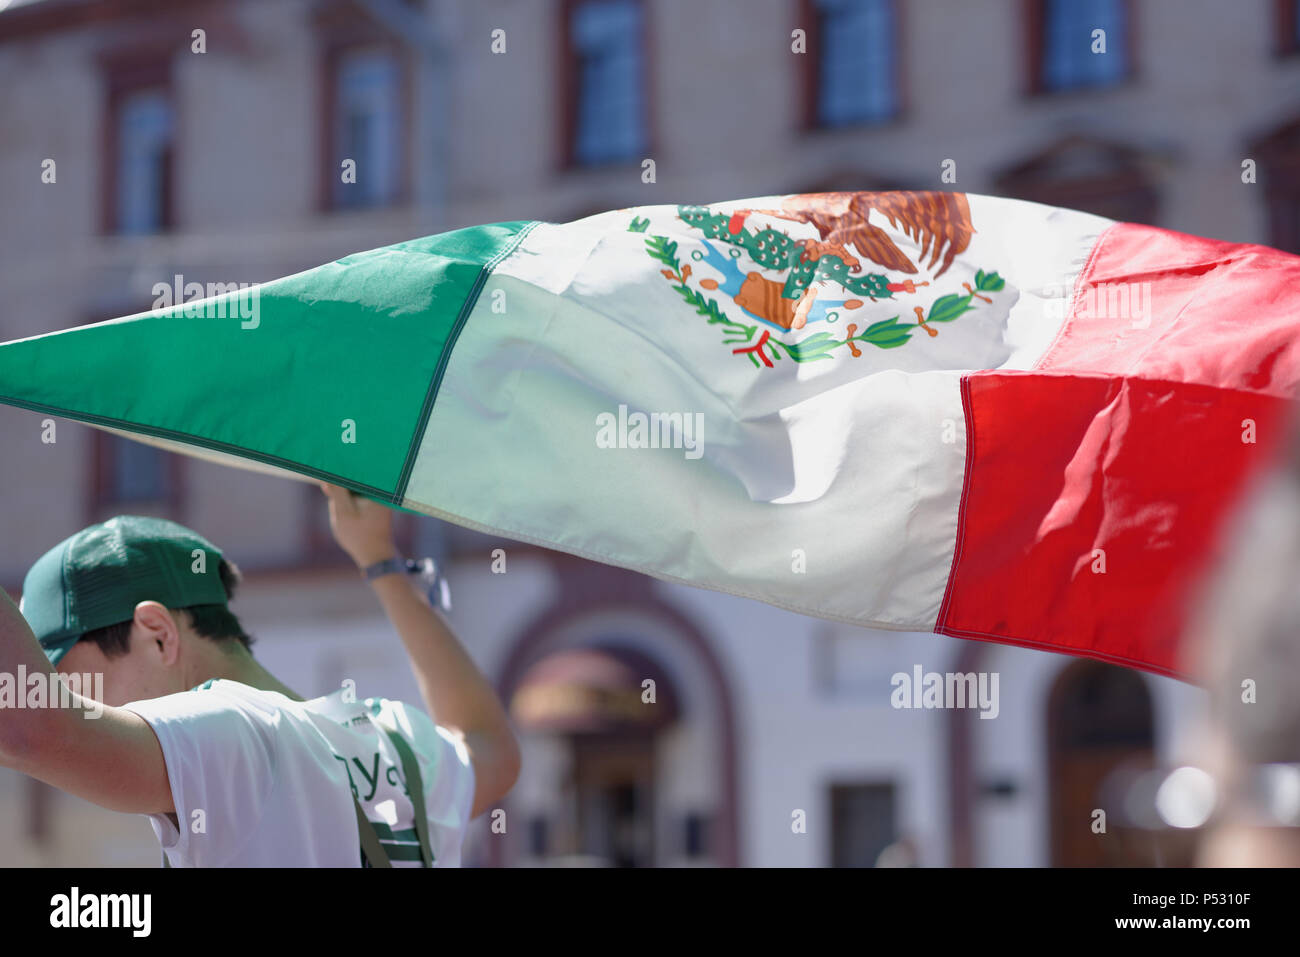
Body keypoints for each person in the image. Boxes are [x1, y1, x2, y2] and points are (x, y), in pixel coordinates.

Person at [0, 483, 520, 866]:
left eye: (73, 686)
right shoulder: (393, 740)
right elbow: (492, 748)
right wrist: (379, 558)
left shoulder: (225, 729)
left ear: (158, 632)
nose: (82, 706)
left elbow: (28, 729)